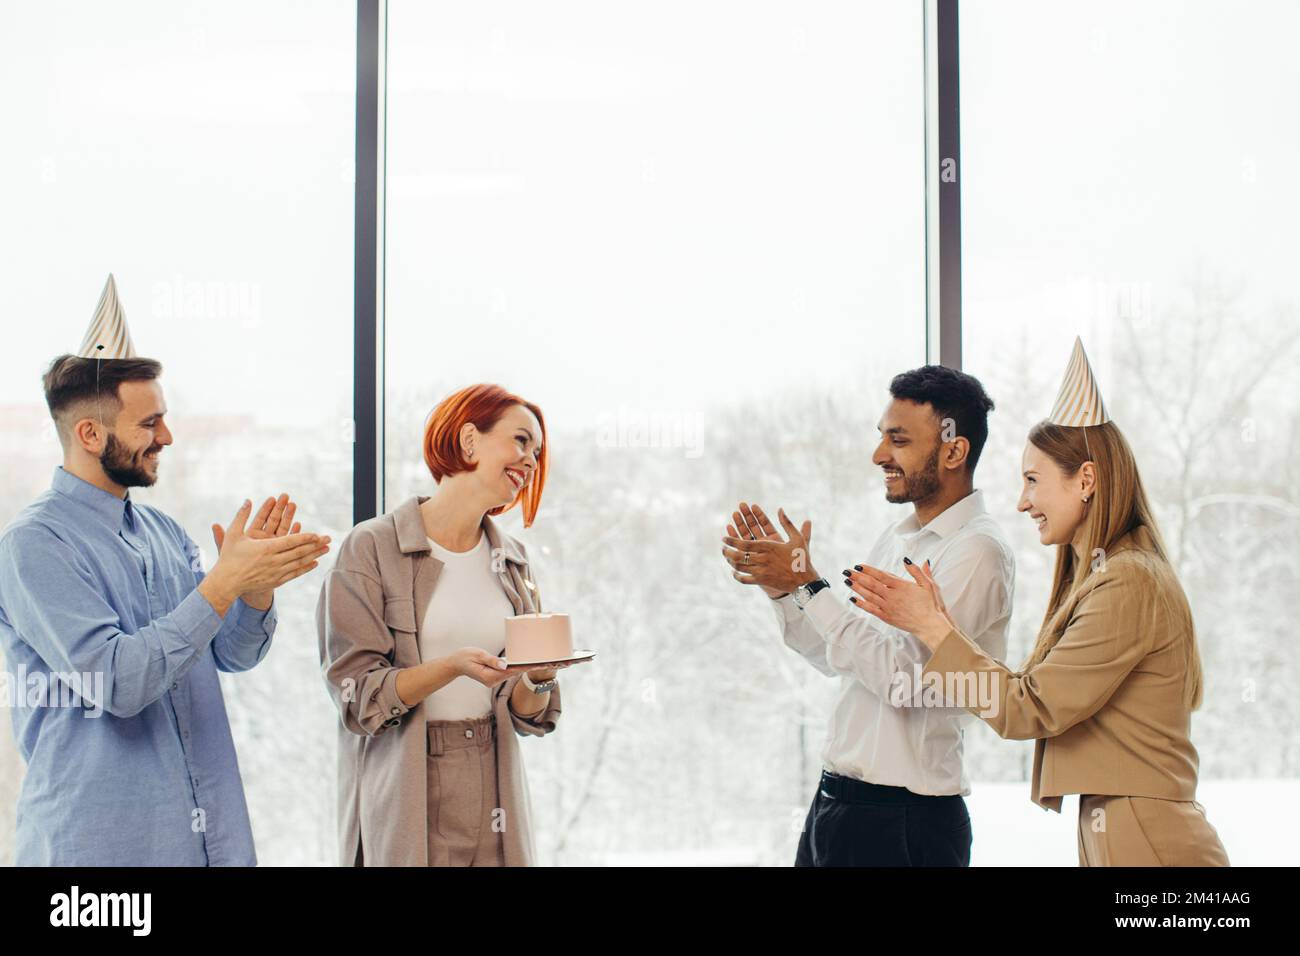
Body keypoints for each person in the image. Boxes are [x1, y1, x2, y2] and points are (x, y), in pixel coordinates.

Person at [848, 338, 1229, 866]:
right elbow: (1030, 697)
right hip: (1124, 825)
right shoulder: (1114, 577)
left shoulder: (1129, 584)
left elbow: (1028, 707)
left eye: (1033, 481)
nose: (1023, 502)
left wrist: (933, 628)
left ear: (1086, 480)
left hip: (1146, 835)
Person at [0, 274, 329, 865]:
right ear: (89, 433)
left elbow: (232, 655)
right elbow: (119, 683)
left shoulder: (165, 533)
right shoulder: (34, 546)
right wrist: (221, 583)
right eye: (149, 424)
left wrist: (251, 593)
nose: (167, 437)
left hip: (208, 844)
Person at [722, 365, 1014, 866]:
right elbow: (839, 657)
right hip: (838, 808)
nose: (879, 455)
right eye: (882, 437)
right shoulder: (899, 539)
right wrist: (784, 592)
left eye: (897, 440)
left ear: (953, 450)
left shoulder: (977, 553)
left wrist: (811, 587)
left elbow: (905, 683)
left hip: (904, 822)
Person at [318, 383, 581, 867]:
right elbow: (358, 697)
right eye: (521, 441)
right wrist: (452, 666)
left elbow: (525, 715)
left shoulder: (512, 561)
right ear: (468, 440)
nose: (531, 460)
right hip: (408, 781)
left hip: (493, 775)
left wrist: (540, 678)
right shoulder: (370, 549)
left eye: (538, 451)